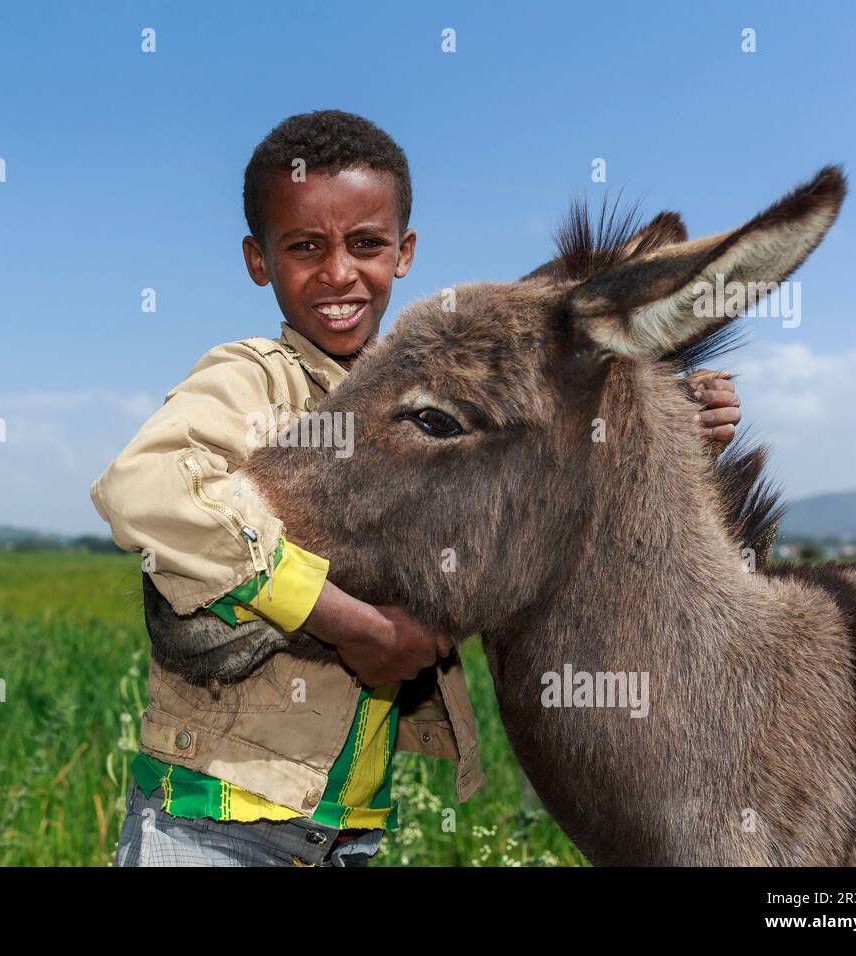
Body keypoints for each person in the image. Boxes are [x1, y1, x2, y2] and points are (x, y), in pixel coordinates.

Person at [91, 110, 742, 867]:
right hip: (210, 819)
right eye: (306, 247)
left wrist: (655, 425)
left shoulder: (401, 386)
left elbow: (519, 481)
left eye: (365, 245)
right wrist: (349, 625)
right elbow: (141, 485)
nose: (339, 274)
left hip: (344, 829)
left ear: (403, 253)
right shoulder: (252, 376)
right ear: (258, 261)